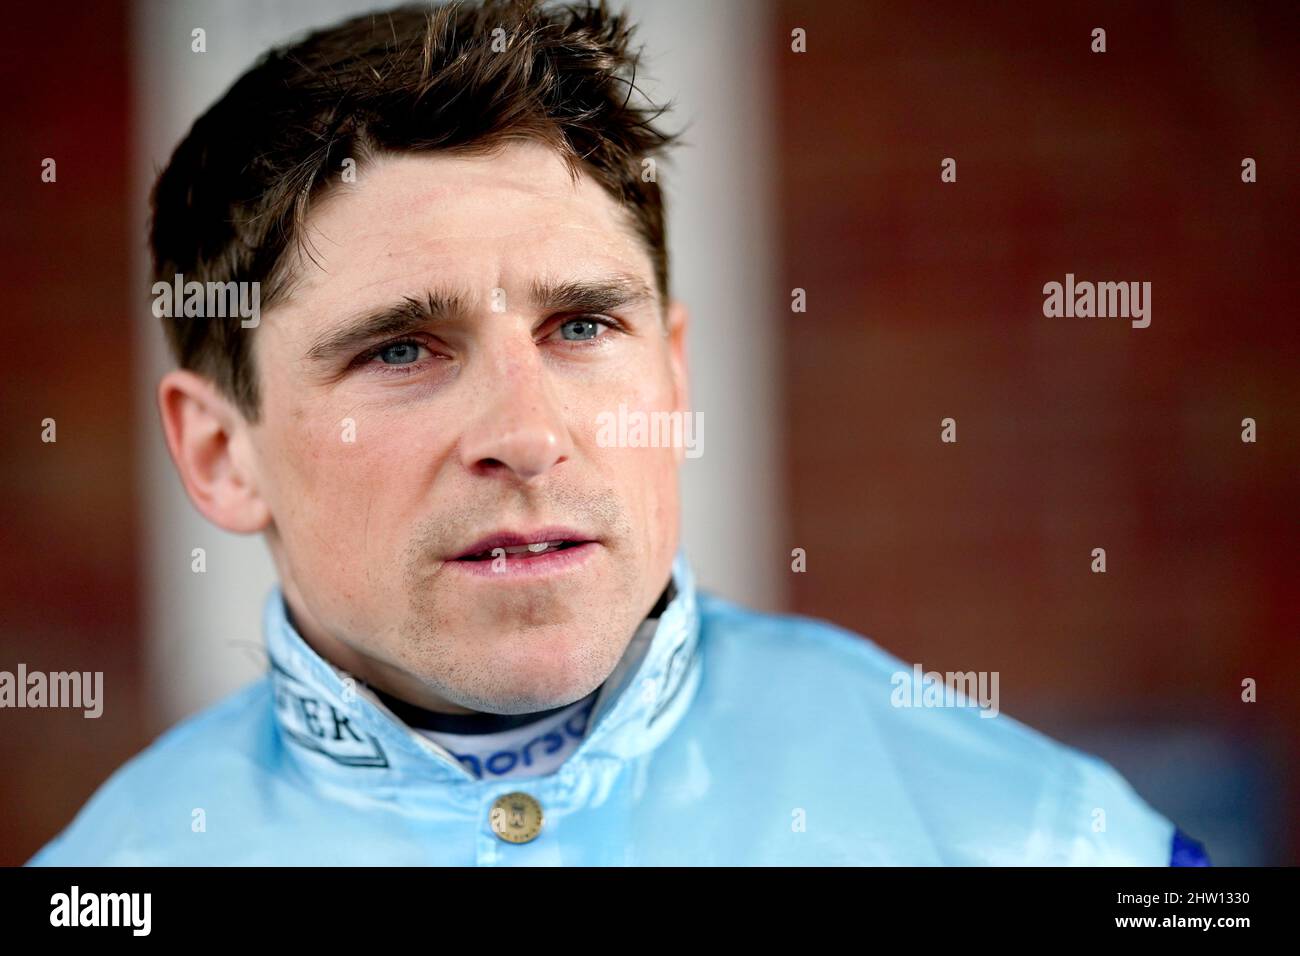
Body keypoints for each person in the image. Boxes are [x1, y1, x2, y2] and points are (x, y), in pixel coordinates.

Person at [29, 0, 1207, 865]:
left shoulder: (1047, 838)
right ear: (220, 454)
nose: (528, 433)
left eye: (582, 325)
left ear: (675, 372)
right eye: (400, 349)